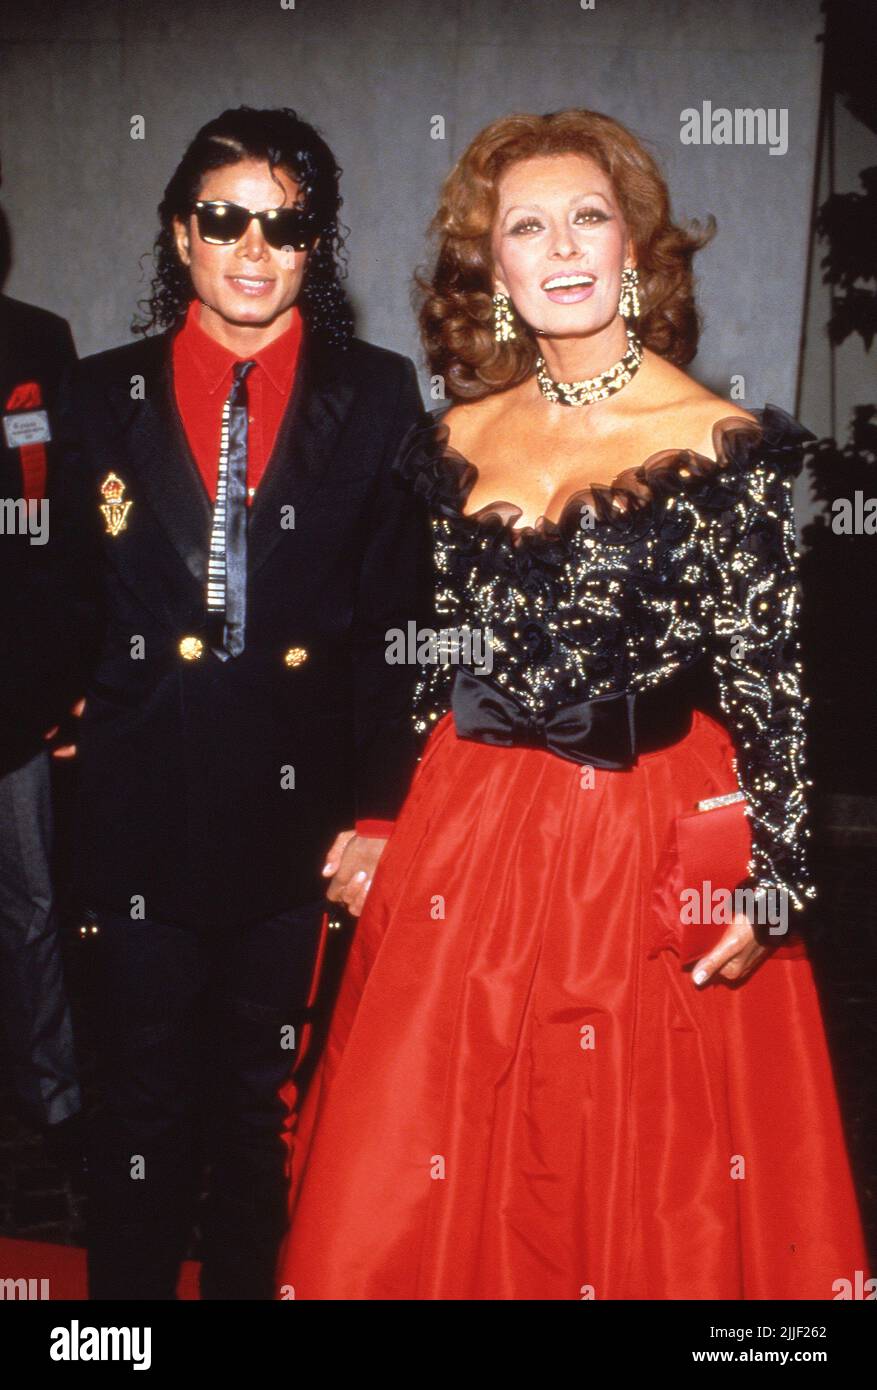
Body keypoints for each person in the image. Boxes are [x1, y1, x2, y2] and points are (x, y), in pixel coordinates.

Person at [275, 109, 869, 1300]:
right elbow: (424, 658)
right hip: (470, 827)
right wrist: (380, 818)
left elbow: (773, 687)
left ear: (633, 252)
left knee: (636, 1166)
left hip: (643, 832)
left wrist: (776, 873)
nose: (559, 247)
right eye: (525, 225)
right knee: (429, 1152)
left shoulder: (716, 441)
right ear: (490, 268)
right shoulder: (451, 438)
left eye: (586, 218)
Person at [37, 106, 433, 1300]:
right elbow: (59, 596)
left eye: (287, 225)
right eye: (225, 219)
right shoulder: (96, 395)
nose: (254, 250)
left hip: (299, 829)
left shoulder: (375, 394)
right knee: (140, 1109)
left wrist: (379, 812)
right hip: (136, 808)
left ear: (316, 245)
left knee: (262, 1117)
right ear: (180, 232)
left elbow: (397, 622)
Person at [0, 278, 82, 1146]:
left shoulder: (31, 338)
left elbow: (56, 520)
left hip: (11, 682)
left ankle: (52, 1098)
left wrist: (62, 670)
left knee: (26, 901)